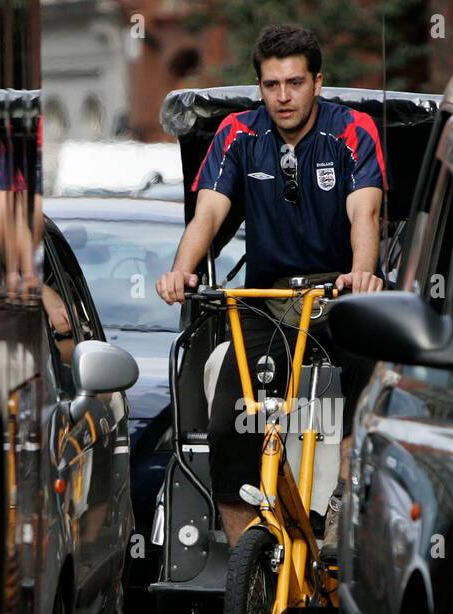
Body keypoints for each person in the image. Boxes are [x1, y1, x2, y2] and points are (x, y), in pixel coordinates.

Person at [155, 23, 386, 554]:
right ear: (259, 86)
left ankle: (343, 510)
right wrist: (181, 270)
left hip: (341, 293)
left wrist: (363, 271)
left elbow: (365, 211)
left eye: (295, 83)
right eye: (271, 85)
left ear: (317, 83)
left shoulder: (351, 131)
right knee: (230, 424)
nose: (283, 96)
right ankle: (248, 575)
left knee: (364, 389)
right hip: (271, 301)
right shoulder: (239, 134)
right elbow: (207, 215)